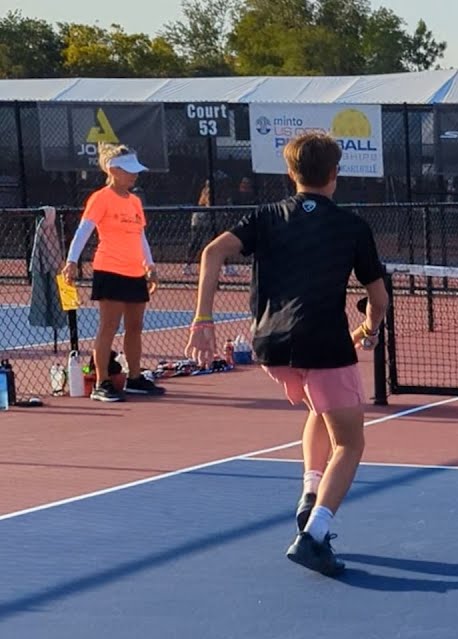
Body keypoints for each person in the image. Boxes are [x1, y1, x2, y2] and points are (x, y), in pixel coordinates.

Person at [185, 132, 388, 578]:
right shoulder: (353, 226)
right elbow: (378, 295)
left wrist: (204, 319)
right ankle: (314, 534)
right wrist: (369, 329)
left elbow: (212, 252)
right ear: (335, 174)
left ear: (291, 173)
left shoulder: (265, 217)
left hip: (271, 347)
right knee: (351, 442)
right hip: (325, 344)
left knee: (320, 408)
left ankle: (309, 492)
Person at [61, 144, 165, 402]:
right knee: (108, 325)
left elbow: (140, 236)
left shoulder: (135, 202)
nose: (134, 175)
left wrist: (149, 266)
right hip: (109, 269)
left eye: (135, 171)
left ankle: (135, 378)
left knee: (135, 326)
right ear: (113, 170)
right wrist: (71, 261)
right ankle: (102, 382)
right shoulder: (100, 198)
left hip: (134, 273)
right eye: (129, 171)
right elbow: (84, 231)